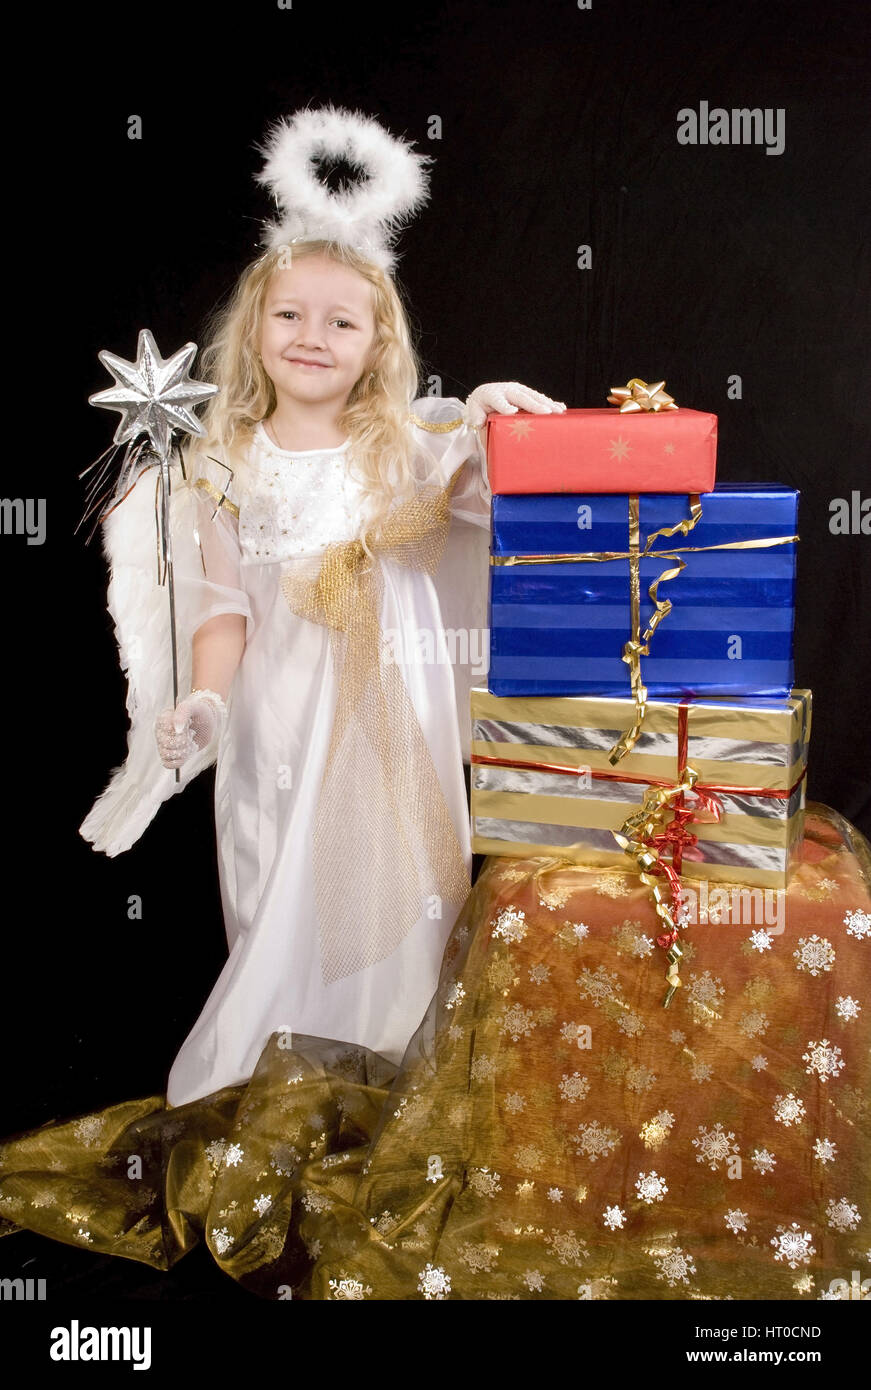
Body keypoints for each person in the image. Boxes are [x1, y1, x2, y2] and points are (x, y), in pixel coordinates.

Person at [77, 108, 566, 1108]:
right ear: (253, 329)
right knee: (281, 899)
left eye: (342, 322)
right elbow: (221, 614)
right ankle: (278, 1088)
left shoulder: (409, 447)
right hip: (278, 722)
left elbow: (493, 491)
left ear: (377, 344)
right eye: (290, 315)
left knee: (396, 900)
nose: (312, 337)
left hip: (390, 729)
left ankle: (388, 1080)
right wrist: (207, 707)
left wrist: (486, 417)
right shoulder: (223, 464)